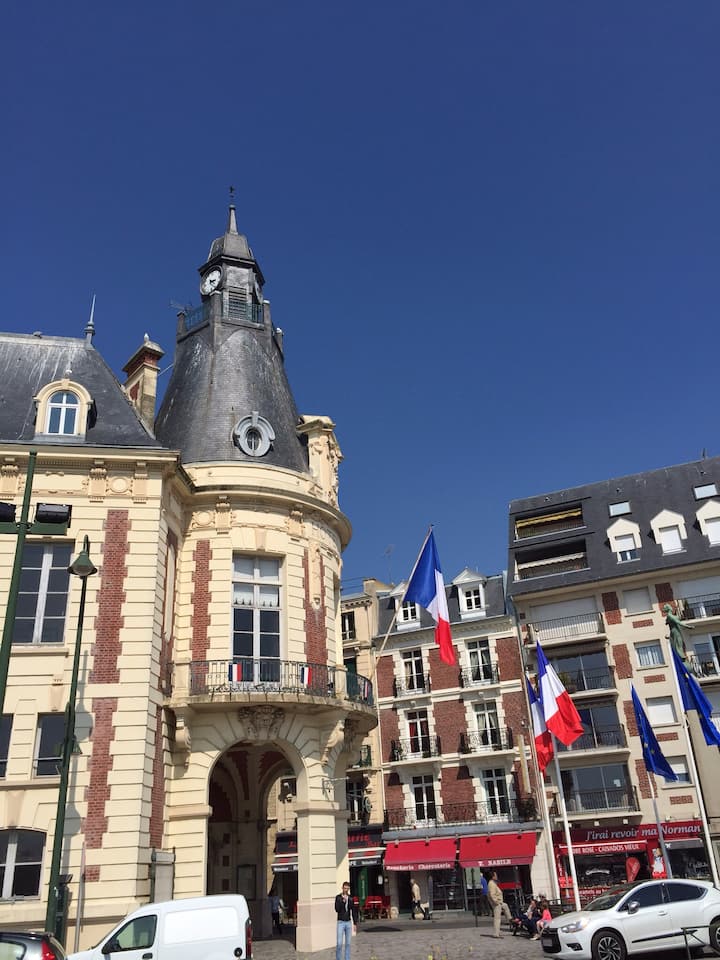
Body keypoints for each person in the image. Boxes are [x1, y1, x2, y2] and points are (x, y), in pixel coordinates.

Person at [334, 881, 358, 960]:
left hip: (348, 922)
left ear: (349, 889)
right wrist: (342, 902)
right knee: (339, 943)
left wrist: (355, 923)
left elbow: (353, 911)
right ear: (342, 888)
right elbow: (337, 909)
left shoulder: (351, 898)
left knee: (348, 943)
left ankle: (347, 958)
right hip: (340, 922)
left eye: (347, 889)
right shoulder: (338, 897)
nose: (346, 890)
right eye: (345, 888)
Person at [487, 870, 513, 938]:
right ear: (493, 876)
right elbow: (492, 894)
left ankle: (510, 919)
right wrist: (496, 902)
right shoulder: (491, 884)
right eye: (495, 875)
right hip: (496, 903)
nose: (497, 876)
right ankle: (496, 933)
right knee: (497, 918)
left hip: (499, 902)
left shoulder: (493, 883)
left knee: (505, 906)